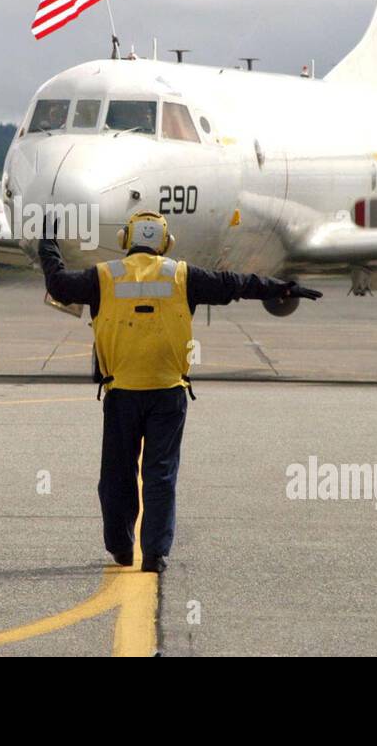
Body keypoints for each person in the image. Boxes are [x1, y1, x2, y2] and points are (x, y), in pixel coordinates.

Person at [38, 210, 322, 573]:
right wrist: (281, 287)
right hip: (167, 392)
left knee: (117, 474)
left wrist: (47, 239)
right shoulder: (183, 276)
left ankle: (120, 547)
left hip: (122, 392)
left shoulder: (103, 276)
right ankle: (154, 554)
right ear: (165, 243)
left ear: (126, 239)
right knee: (160, 473)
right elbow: (236, 284)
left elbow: (59, 284)